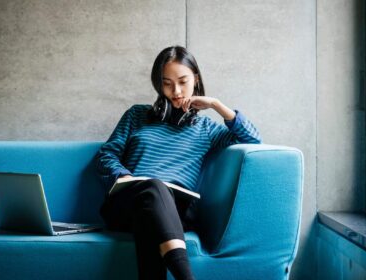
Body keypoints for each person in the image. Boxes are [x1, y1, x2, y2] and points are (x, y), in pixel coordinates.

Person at [96, 46, 262, 280]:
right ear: (158, 85)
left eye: (183, 81)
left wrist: (216, 105)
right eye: (167, 83)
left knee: (153, 211)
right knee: (153, 188)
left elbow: (253, 139)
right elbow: (106, 155)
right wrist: (122, 176)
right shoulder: (136, 115)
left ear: (196, 79)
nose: (176, 91)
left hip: (176, 211)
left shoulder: (206, 129)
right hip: (129, 203)